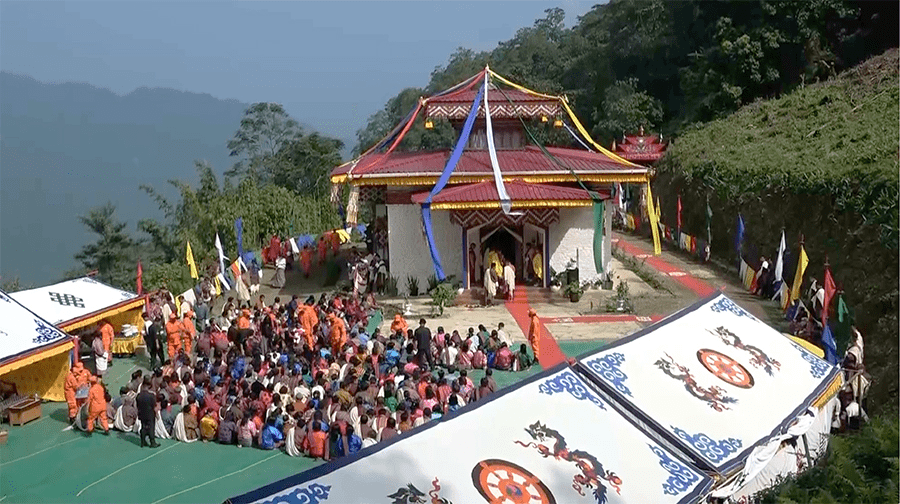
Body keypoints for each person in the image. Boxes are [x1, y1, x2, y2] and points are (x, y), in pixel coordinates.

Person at [137, 378, 159, 447]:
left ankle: (142, 441)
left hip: (141, 413)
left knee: (143, 426)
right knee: (151, 427)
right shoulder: (151, 396)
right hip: (150, 413)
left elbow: (137, 405)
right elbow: (154, 406)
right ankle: (152, 442)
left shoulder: (138, 396)